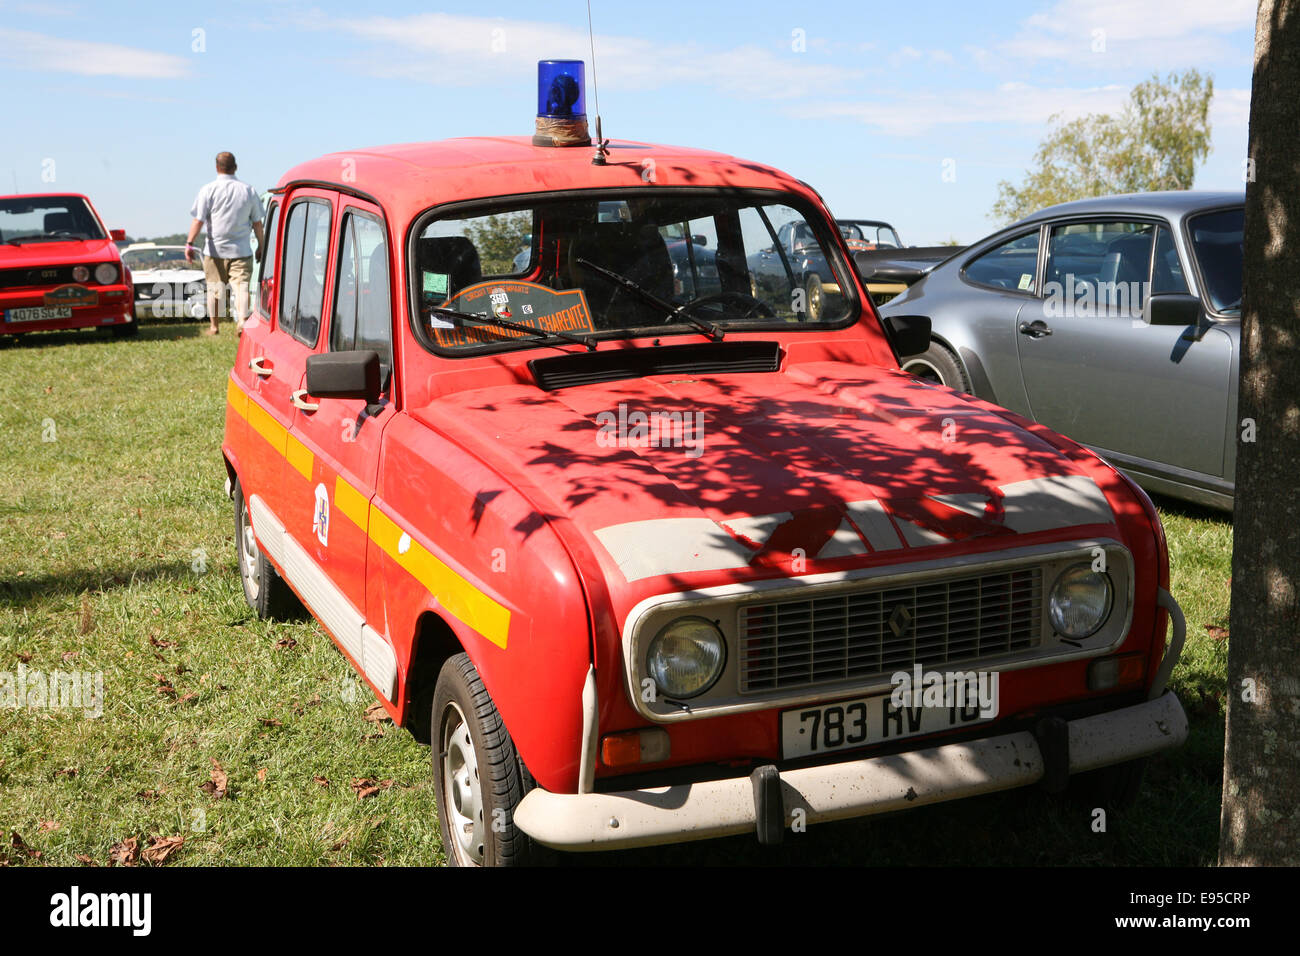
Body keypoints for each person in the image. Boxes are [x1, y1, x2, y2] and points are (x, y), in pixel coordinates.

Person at [185, 152, 264, 335]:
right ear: (235, 167)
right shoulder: (248, 190)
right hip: (242, 250)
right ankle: (242, 321)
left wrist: (189, 243)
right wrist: (261, 245)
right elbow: (257, 222)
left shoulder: (207, 190)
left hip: (214, 250)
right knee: (241, 287)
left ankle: (214, 327)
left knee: (214, 290)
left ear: (216, 167)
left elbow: (198, 221)